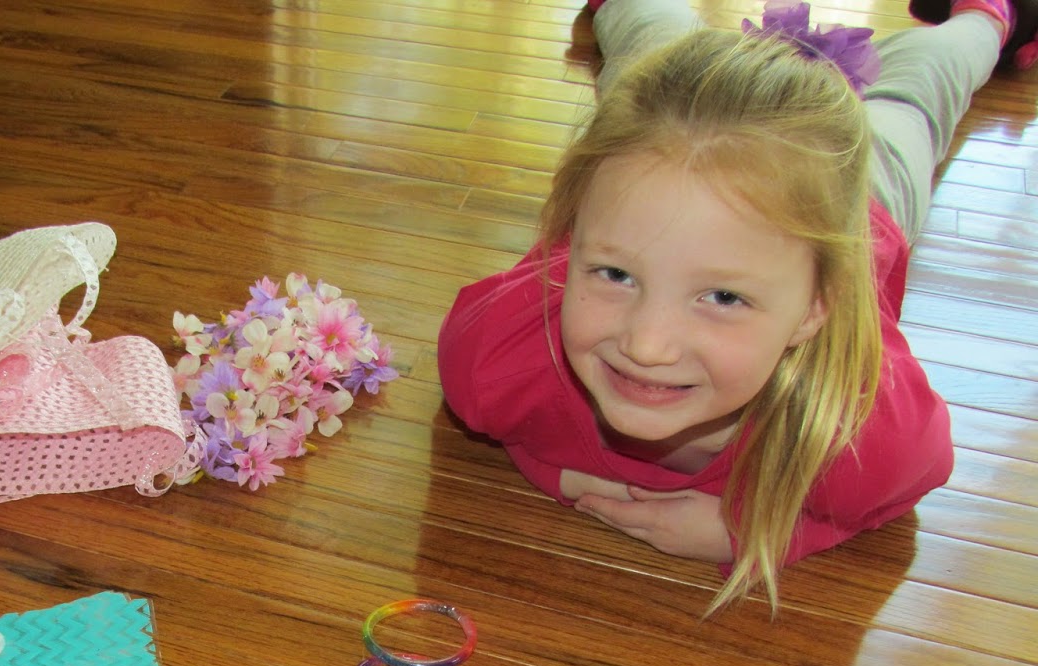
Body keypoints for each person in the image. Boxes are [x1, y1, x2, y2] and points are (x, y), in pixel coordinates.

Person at [437, 0, 1036, 613]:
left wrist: (760, 531)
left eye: (723, 296)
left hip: (865, 202)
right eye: (616, 273)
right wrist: (560, 475)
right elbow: (492, 403)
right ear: (571, 242)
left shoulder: (861, 431)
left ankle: (987, 17)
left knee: (911, 101)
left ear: (813, 308)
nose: (648, 345)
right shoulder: (495, 354)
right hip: (673, 133)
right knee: (649, 52)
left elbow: (913, 479)